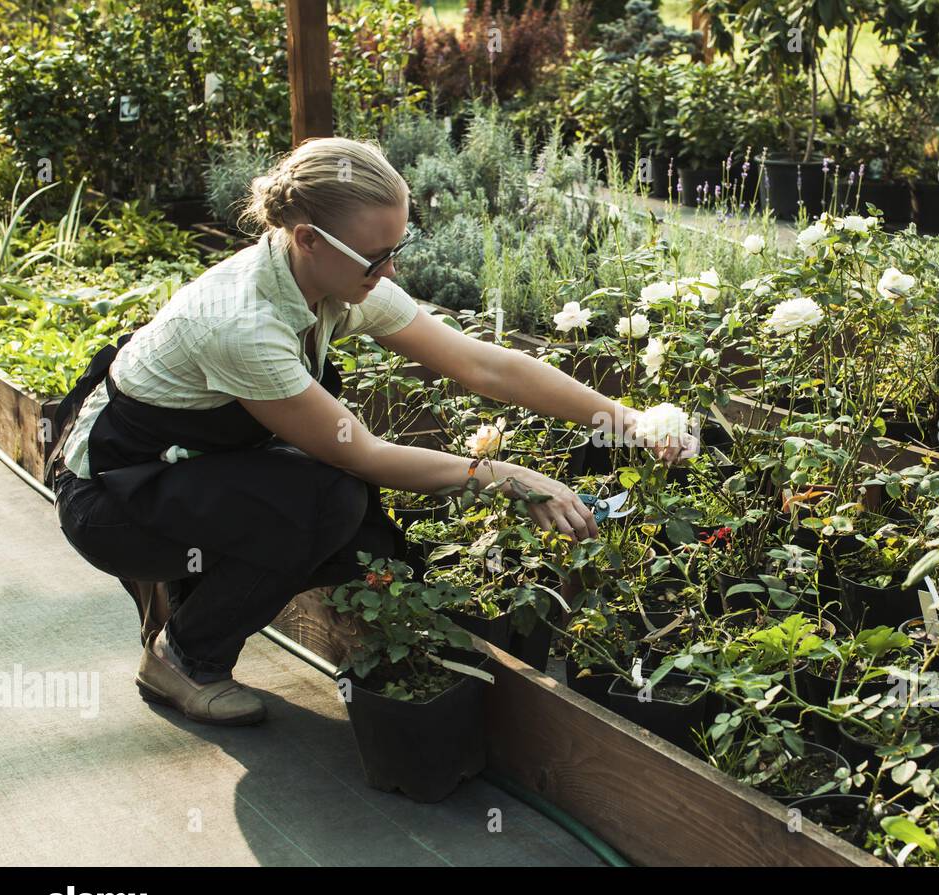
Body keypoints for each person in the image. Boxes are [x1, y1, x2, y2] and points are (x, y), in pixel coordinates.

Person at [47, 136, 696, 727]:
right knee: (327, 504)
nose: (390, 272)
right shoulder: (243, 323)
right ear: (307, 239)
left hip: (191, 467)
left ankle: (197, 585)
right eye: (378, 256)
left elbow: (481, 363)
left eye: (398, 250)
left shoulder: (332, 275)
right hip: (111, 503)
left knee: (358, 536)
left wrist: (625, 418)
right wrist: (507, 477)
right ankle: (183, 658)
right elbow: (365, 455)